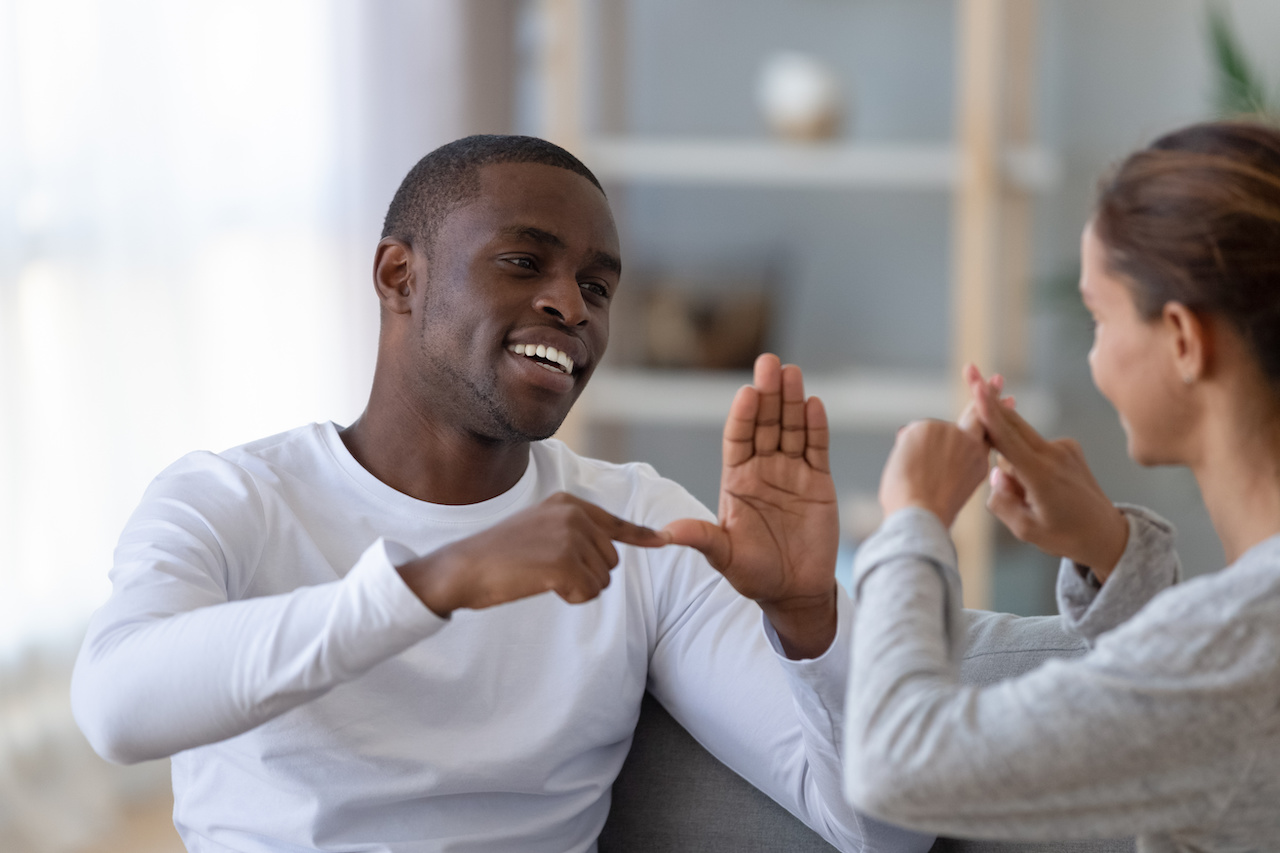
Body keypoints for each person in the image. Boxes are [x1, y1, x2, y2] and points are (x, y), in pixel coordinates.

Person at [71, 135, 930, 853]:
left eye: (597, 287)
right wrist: (437, 580)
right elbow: (116, 709)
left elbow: (883, 829)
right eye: (524, 262)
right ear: (399, 276)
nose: (571, 306)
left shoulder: (643, 524)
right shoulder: (229, 499)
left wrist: (809, 615)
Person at [841, 120, 1280, 850]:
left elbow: (895, 767)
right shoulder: (1246, 634)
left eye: (1098, 318)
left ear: (1182, 339)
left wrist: (913, 520)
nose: (1093, 357)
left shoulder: (1244, 640)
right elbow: (1197, 721)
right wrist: (1112, 551)